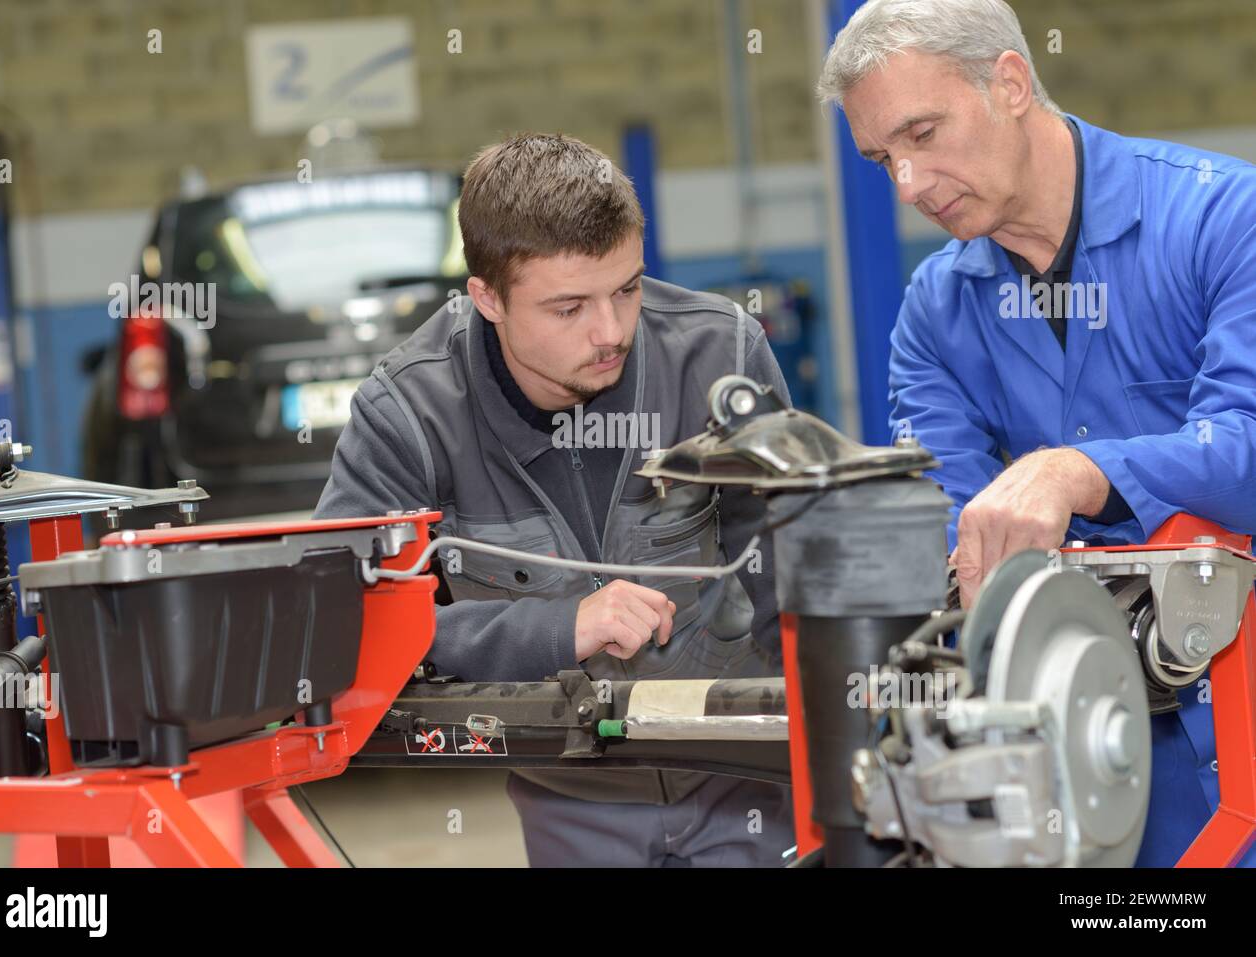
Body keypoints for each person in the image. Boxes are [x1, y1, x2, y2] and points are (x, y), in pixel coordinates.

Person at [819, 0, 1256, 866]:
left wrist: (1078, 471)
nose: (907, 183)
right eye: (883, 158)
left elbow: (1245, 445)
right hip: (1086, 766)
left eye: (923, 133)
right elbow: (943, 526)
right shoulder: (935, 314)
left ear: (1010, 83)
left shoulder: (1222, 220)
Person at [315, 133, 795, 866]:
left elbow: (787, 571)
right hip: (574, 807)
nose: (612, 332)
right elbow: (346, 621)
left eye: (628, 289)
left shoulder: (718, 355)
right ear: (487, 298)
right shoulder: (411, 412)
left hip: (742, 785)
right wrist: (551, 628)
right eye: (568, 307)